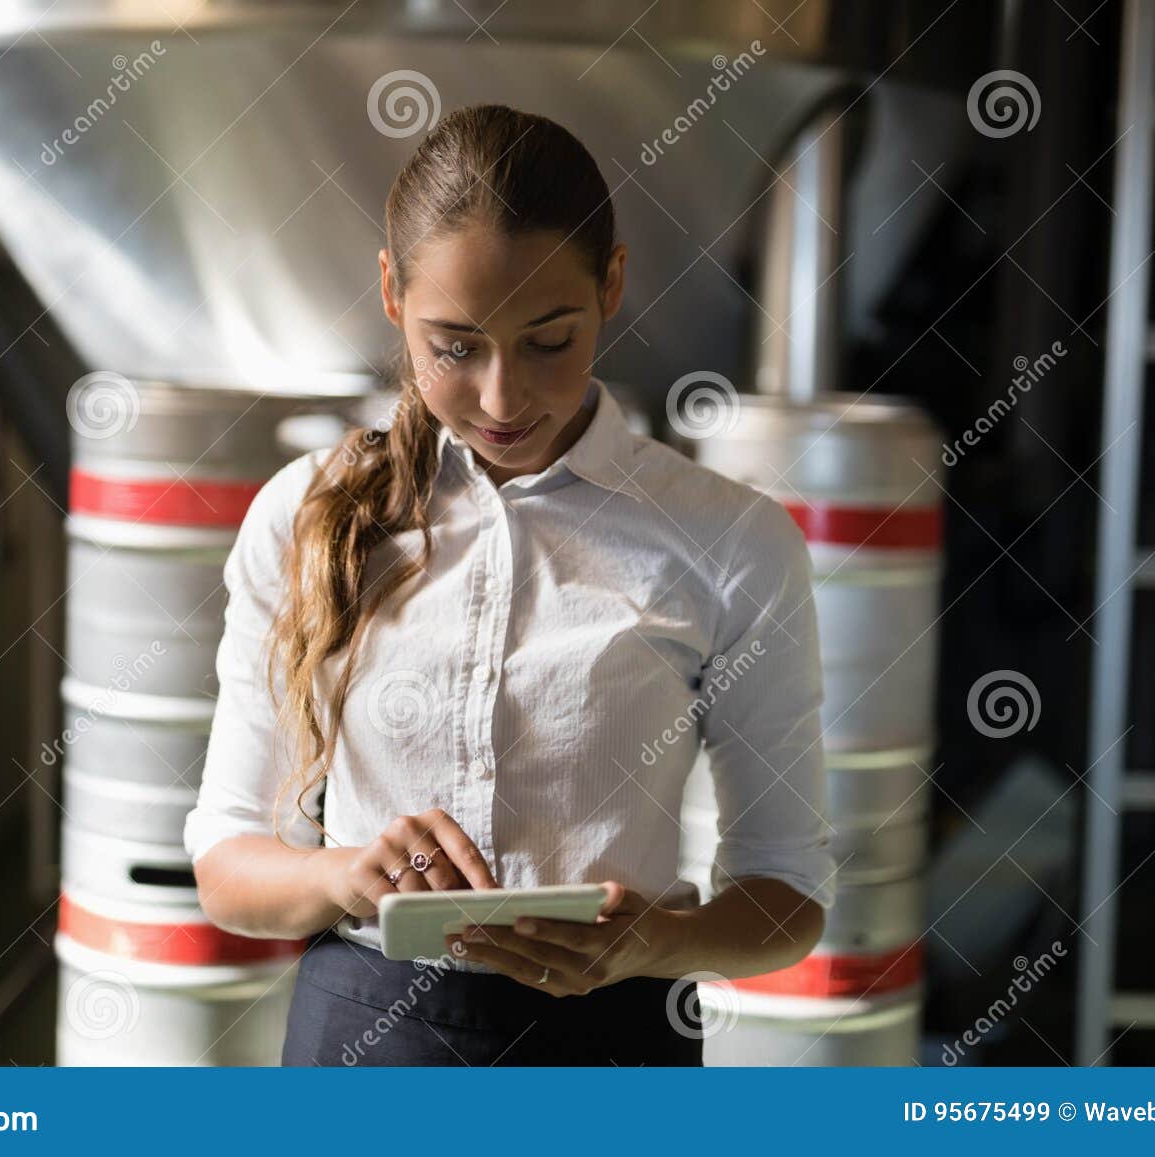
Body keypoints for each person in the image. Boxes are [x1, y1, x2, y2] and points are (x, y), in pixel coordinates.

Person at [183, 103, 836, 1067]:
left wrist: (657, 940)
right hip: (364, 1044)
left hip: (617, 1050)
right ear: (392, 295)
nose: (501, 398)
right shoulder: (303, 514)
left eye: (548, 341)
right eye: (455, 345)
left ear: (611, 285)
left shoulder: (731, 542)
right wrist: (346, 874)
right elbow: (229, 865)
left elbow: (787, 894)